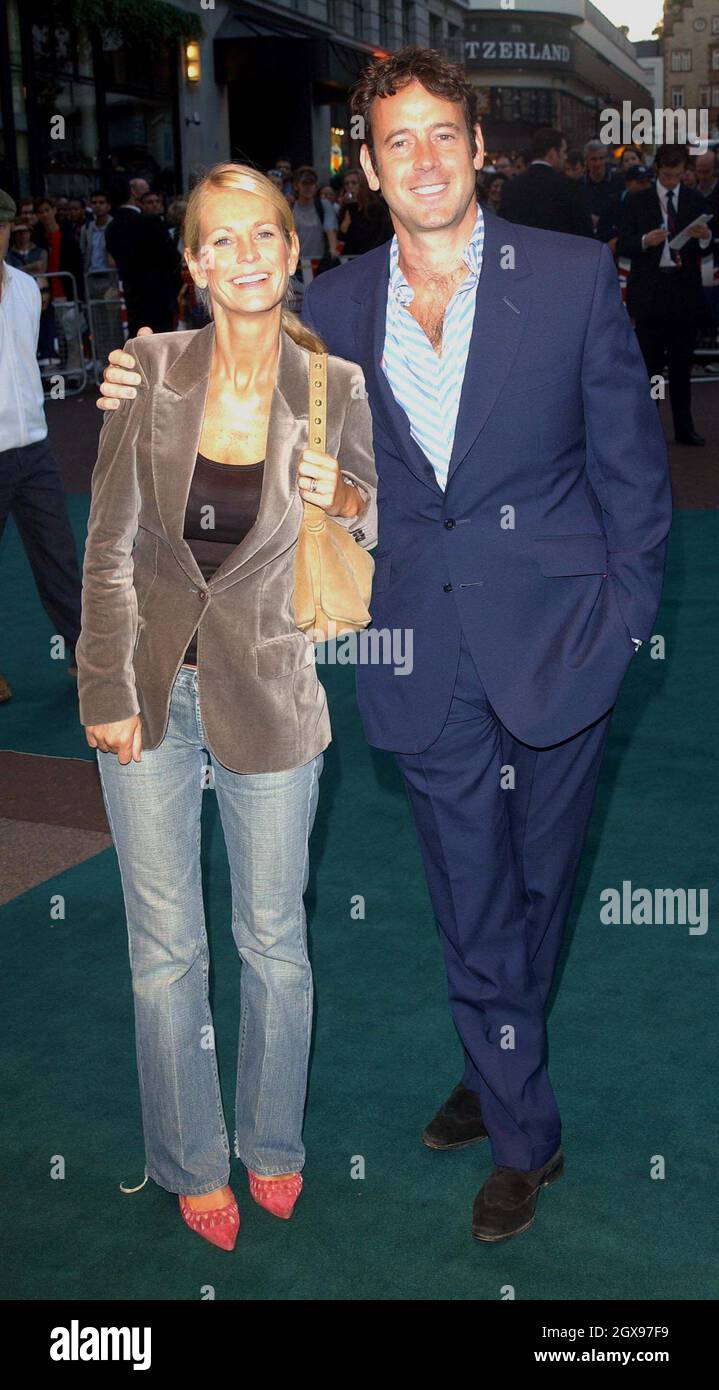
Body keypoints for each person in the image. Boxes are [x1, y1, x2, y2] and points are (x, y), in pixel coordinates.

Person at [95, 46, 672, 1246]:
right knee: (468, 887)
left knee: (535, 884)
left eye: (441, 135)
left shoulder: (568, 278)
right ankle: (525, 1130)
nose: (421, 157)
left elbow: (632, 479)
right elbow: (227, 353)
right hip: (417, 643)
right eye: (395, 139)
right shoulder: (338, 304)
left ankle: (490, 1054)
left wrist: (620, 629)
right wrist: (126, 378)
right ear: (366, 162)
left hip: (560, 637)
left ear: (477, 149)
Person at [75, 164, 377, 1250]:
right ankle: (190, 1157)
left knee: (274, 942)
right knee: (165, 950)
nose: (246, 255)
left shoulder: (334, 384)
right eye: (221, 241)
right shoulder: (144, 371)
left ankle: (274, 1145)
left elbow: (369, 527)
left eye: (266, 236)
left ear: (293, 253)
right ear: (195, 264)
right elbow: (108, 548)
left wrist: (341, 494)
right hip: (151, 697)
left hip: (272, 698)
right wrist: (106, 686)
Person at [0, 190, 82, 700]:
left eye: (2, 226)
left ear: (12, 229)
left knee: (59, 555)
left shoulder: (29, 289)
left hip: (34, 447)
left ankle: (84, 655)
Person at [618, 144, 713, 445]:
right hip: (651, 293)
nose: (672, 180)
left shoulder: (695, 200)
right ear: (658, 170)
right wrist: (646, 240)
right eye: (668, 175)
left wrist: (705, 237)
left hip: (683, 292)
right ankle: (648, 430)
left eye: (678, 175)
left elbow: (709, 247)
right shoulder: (638, 201)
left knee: (682, 365)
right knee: (650, 367)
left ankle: (685, 428)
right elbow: (624, 243)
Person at [105, 177, 181, 334]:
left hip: (134, 298)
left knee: (140, 345)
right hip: (161, 297)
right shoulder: (151, 222)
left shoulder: (111, 229)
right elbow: (173, 258)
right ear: (132, 193)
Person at [499, 127, 593, 236]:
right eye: (563, 152)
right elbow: (584, 232)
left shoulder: (510, 187)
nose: (565, 157)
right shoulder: (569, 188)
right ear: (552, 153)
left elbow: (504, 231)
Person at [291, 167, 339, 272]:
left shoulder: (324, 204)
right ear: (296, 186)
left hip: (321, 263)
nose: (308, 187)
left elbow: (330, 228)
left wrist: (333, 249)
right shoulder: (290, 207)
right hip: (298, 264)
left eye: (311, 183)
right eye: (304, 183)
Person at [337, 167, 392, 255]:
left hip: (374, 252)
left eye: (354, 183)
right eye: (346, 184)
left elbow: (383, 232)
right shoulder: (349, 208)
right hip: (353, 254)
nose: (350, 187)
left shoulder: (378, 206)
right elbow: (342, 235)